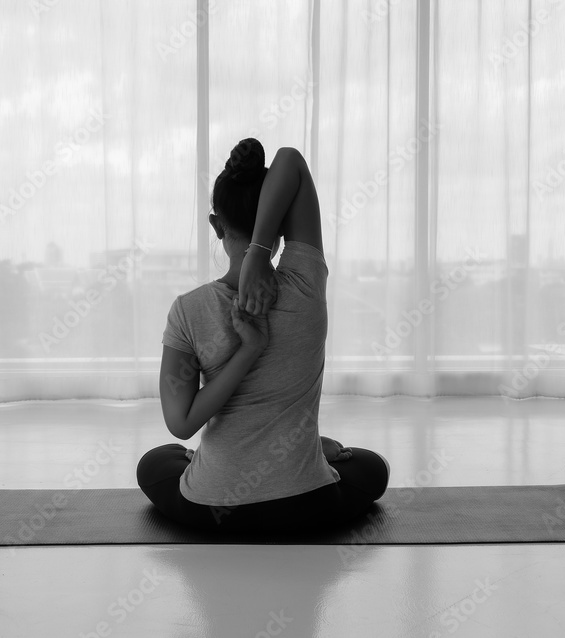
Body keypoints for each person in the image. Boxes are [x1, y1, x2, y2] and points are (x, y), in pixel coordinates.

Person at [137, 138, 390, 533]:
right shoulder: (305, 284)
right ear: (281, 220)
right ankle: (306, 447)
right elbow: (290, 160)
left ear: (216, 224)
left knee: (159, 460)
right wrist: (260, 251)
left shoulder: (188, 309)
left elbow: (181, 424)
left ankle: (294, 447)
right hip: (309, 503)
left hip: (213, 508)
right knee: (372, 467)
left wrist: (246, 350)